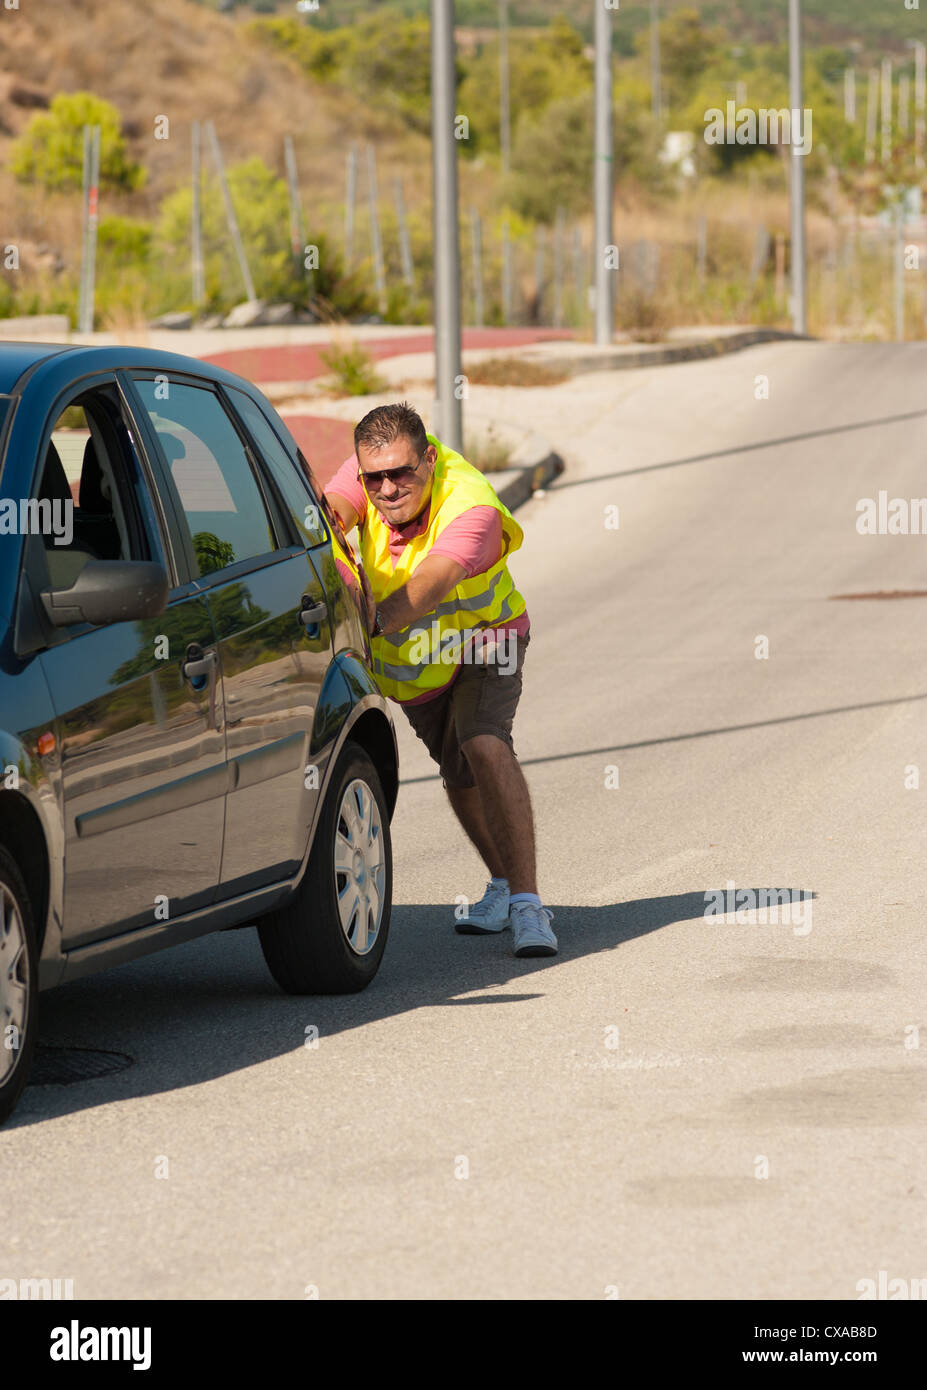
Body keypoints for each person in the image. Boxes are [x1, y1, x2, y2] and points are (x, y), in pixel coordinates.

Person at [323, 401, 557, 958]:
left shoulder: (470, 507)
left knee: (483, 741)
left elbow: (430, 582)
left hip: (487, 636)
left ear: (428, 459)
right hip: (418, 668)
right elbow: (324, 518)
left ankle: (528, 905)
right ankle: (500, 884)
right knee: (458, 772)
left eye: (401, 472)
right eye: (374, 477)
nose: (387, 488)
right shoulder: (365, 476)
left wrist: (360, 620)